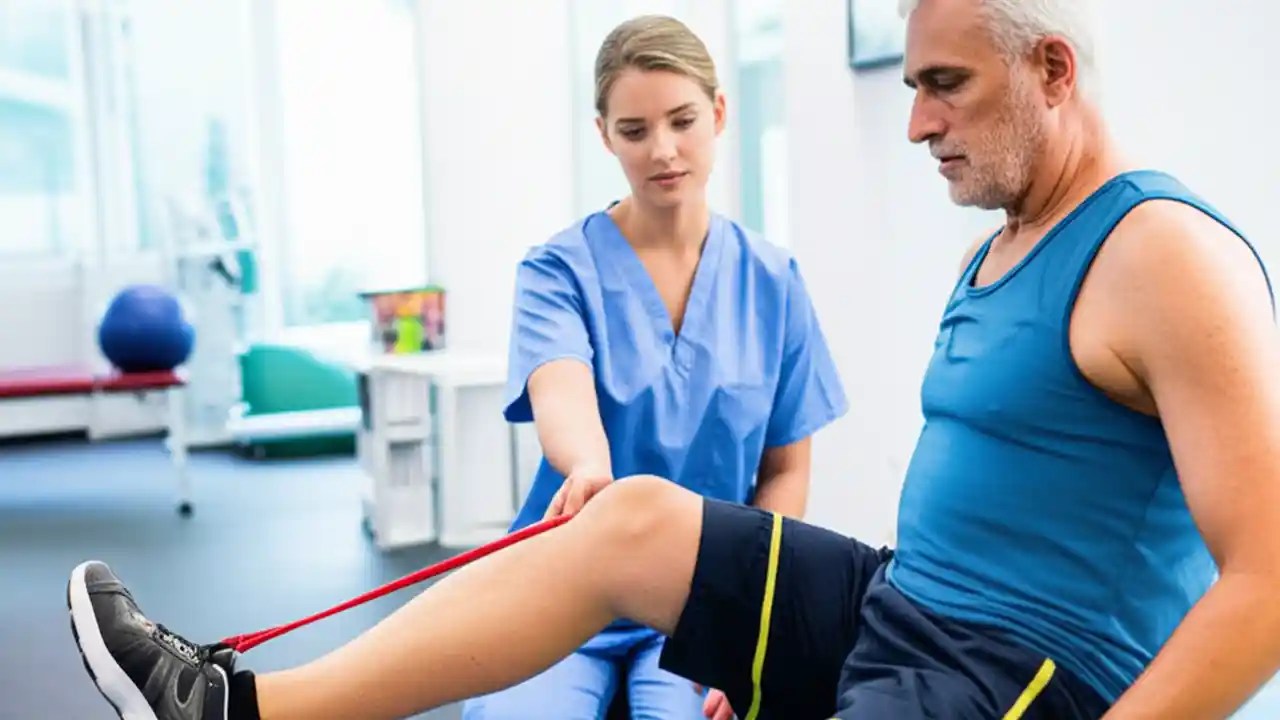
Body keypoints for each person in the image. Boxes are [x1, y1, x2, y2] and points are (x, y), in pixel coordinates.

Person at [66, 0, 1280, 718]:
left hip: (1011, 670)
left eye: (944, 87)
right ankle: (236, 704)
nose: (915, 121)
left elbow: (1267, 580)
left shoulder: (1162, 253)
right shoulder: (1006, 242)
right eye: (912, 85)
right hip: (902, 598)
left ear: (1051, 70)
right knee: (634, 518)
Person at [462, 14, 845, 720]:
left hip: (696, 598)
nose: (663, 150)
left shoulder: (773, 280)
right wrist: (589, 467)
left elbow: (786, 468)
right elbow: (560, 388)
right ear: (605, 134)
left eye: (682, 121)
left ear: (719, 113)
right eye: (634, 131)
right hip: (563, 579)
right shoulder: (558, 271)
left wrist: (752, 619)